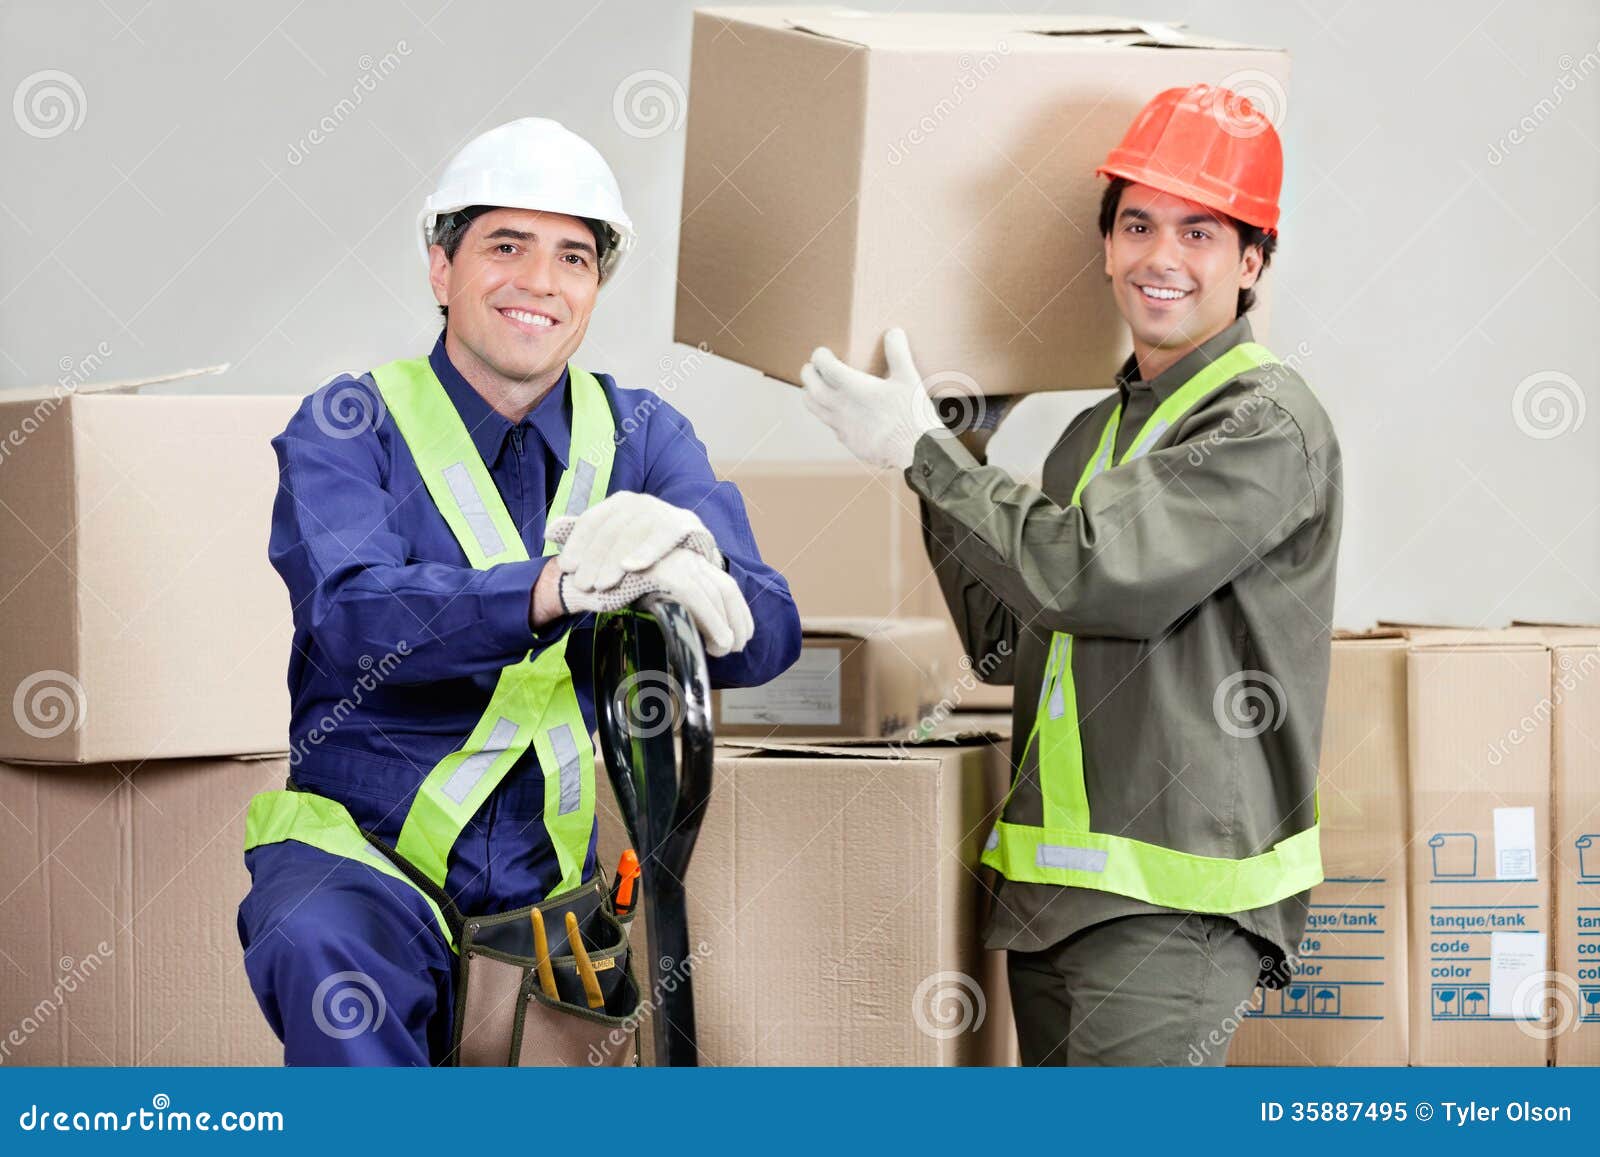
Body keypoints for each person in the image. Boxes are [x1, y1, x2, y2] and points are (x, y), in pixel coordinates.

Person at [238, 118, 800, 1065]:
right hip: (364, 864)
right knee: (325, 950)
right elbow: (352, 616)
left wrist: (692, 565)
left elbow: (767, 633)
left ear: (593, 290)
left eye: (573, 257)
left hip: (551, 891)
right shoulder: (351, 424)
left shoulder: (643, 436)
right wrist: (553, 587)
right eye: (507, 246)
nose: (540, 281)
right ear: (441, 268)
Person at [799, 85, 1342, 1066]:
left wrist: (924, 454)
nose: (1160, 256)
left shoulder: (1261, 422)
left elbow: (1092, 575)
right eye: (1137, 225)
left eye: (1199, 232)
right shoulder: (1095, 435)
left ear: (1252, 262)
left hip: (1170, 908)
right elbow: (1010, 642)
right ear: (1106, 248)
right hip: (1051, 904)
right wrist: (953, 452)